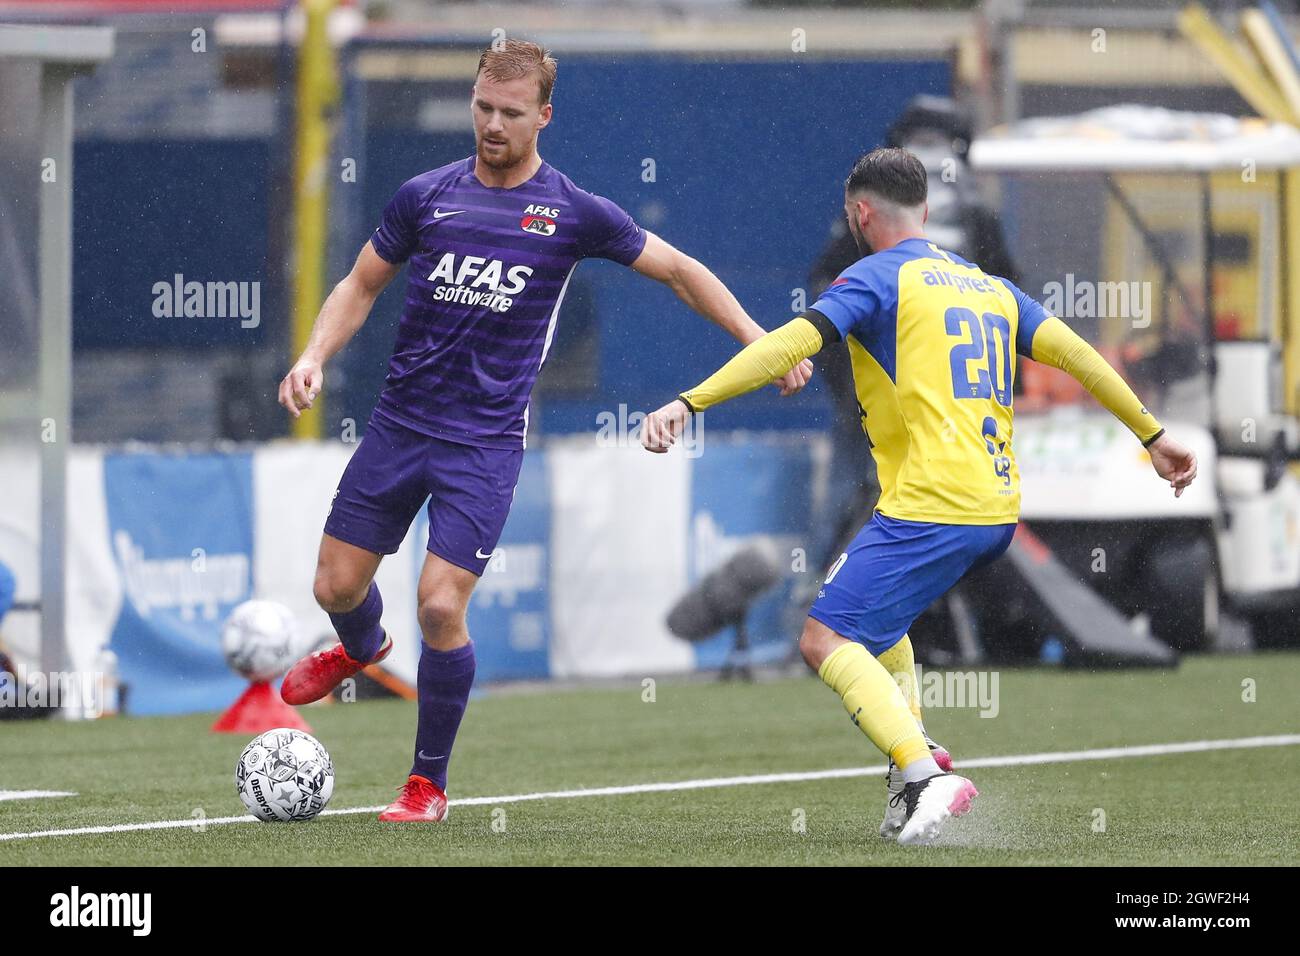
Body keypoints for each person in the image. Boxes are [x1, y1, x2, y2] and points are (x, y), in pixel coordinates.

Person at [276, 39, 811, 823]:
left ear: (544, 116)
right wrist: (314, 355)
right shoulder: (425, 196)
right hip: (399, 427)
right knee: (335, 587)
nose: (492, 124)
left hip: (484, 446)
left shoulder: (573, 212)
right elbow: (360, 283)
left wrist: (761, 342)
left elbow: (681, 272)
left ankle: (427, 786)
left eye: (511, 113)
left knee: (437, 607)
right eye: (483, 107)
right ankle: (360, 647)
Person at [639, 147, 1197, 845]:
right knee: (882, 620)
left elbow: (788, 345)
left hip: (934, 504)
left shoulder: (872, 278)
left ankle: (926, 775)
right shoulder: (987, 286)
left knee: (824, 637)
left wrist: (688, 403)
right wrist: (1153, 435)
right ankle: (913, 775)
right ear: (926, 212)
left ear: (859, 213)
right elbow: (1079, 354)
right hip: (993, 505)